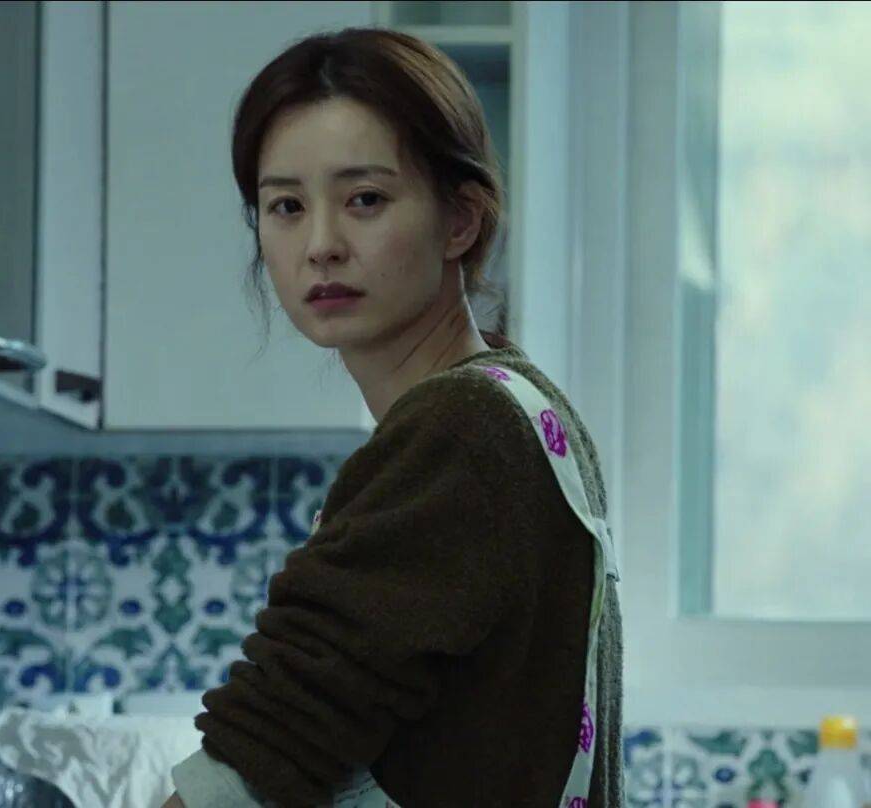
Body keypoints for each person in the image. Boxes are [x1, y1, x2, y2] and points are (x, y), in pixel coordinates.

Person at [165, 26, 624, 808]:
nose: (321, 245)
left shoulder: (462, 428)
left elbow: (273, 745)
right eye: (286, 206)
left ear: (461, 220)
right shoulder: (525, 405)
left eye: (365, 200)